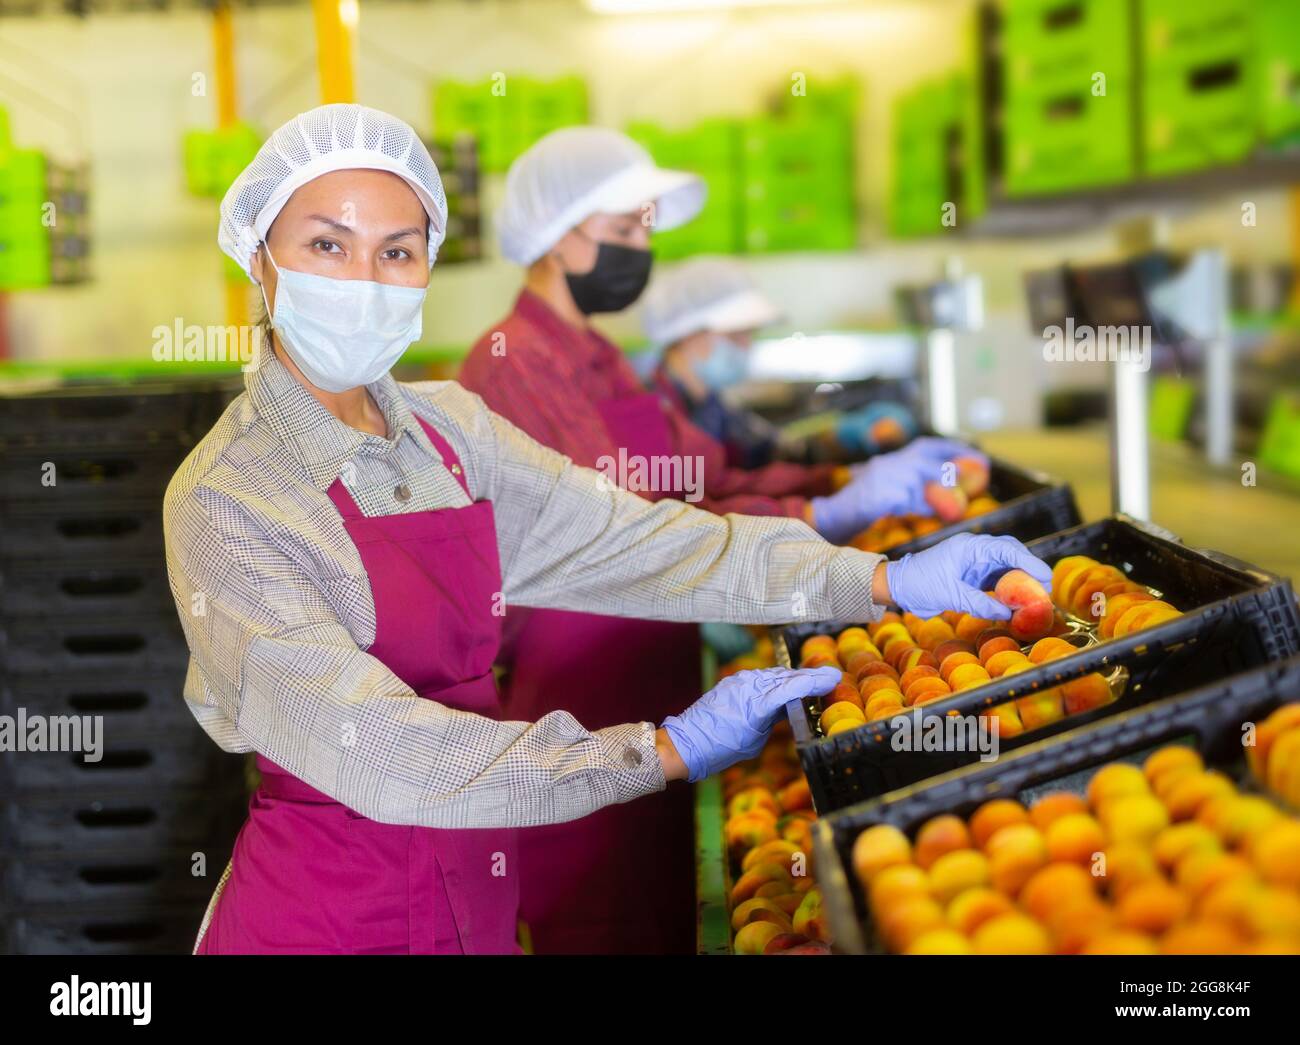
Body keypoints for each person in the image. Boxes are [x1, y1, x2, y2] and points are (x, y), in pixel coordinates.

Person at [165, 103, 1051, 955]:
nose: (364, 280)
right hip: (327, 917)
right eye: (328, 244)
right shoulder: (228, 497)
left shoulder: (450, 432)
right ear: (258, 257)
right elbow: (381, 749)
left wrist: (875, 579)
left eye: (397, 251)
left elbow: (643, 542)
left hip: (476, 895)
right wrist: (656, 751)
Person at [457, 127, 991, 953]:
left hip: (657, 675)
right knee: (604, 917)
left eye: (644, 234)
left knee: (665, 907)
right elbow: (624, 536)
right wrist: (815, 528)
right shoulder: (511, 367)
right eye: (627, 231)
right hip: (583, 693)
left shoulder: (604, 358)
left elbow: (704, 477)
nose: (642, 252)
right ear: (562, 232)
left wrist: (839, 496)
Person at [641, 257, 917, 470]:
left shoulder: (712, 406)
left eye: (749, 334)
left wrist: (842, 434)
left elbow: (772, 451)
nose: (746, 346)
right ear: (688, 332)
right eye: (735, 335)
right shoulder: (653, 414)